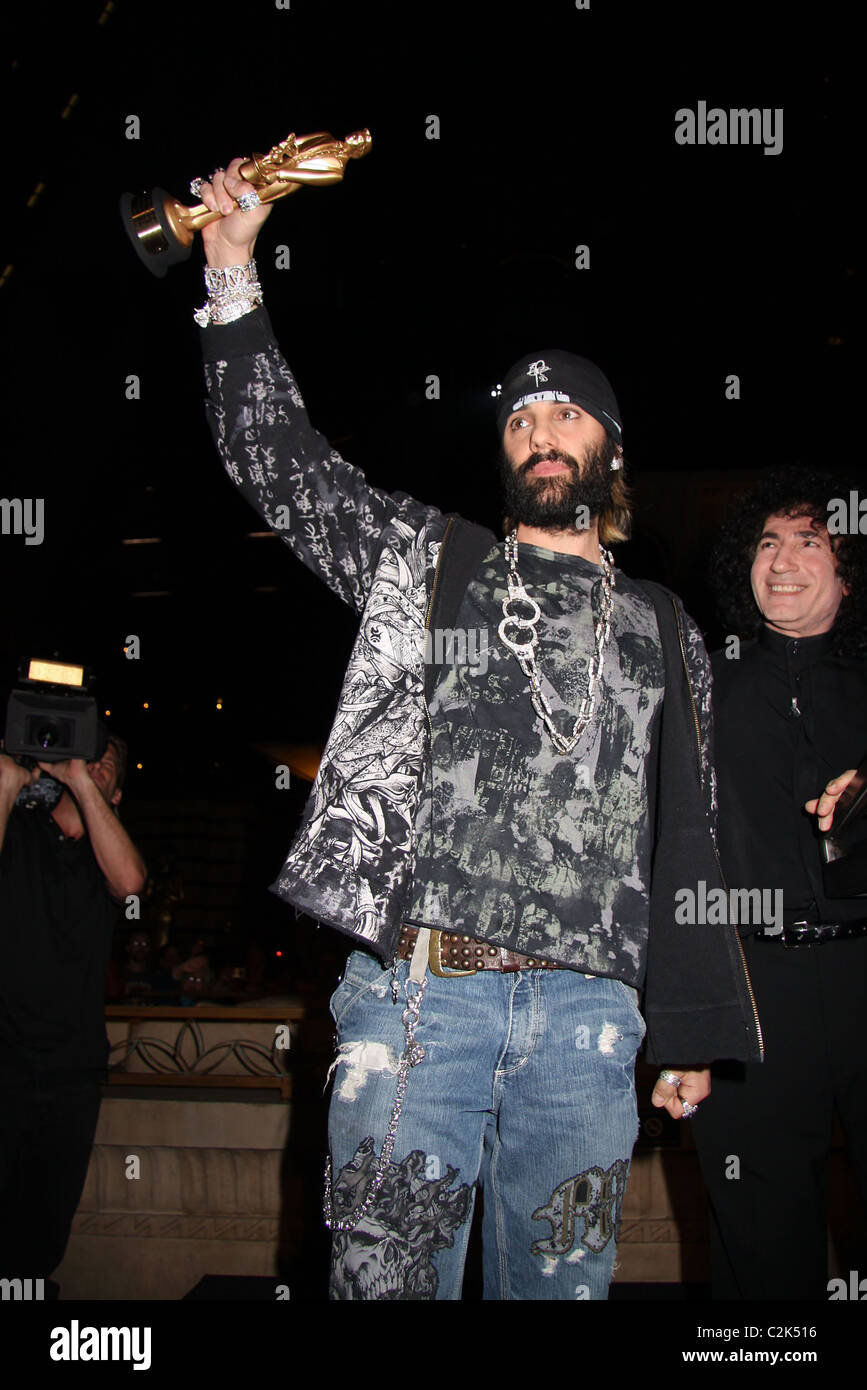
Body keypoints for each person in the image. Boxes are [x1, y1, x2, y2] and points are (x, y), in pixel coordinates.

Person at [192, 161, 762, 1300]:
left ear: (609, 453)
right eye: (520, 415)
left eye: (568, 412)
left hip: (592, 1014)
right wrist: (229, 271)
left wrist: (691, 1020)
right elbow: (281, 463)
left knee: (560, 1291)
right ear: (502, 451)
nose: (541, 429)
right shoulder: (429, 563)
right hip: (419, 998)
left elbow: (690, 835)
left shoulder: (664, 626)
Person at [690, 466, 867, 1300]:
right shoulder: (701, 691)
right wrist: (684, 1023)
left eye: (809, 540)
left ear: (846, 566)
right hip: (753, 993)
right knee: (759, 1262)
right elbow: (671, 859)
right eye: (767, 541)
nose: (784, 559)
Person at [0, 735, 147, 1292]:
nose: (101, 762)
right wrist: (10, 782)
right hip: (3, 1059)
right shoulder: (20, 832)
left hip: (70, 1072)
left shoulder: (105, 855)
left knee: (40, 1234)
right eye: (93, 753)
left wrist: (84, 781)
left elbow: (131, 883)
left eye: (112, 766)